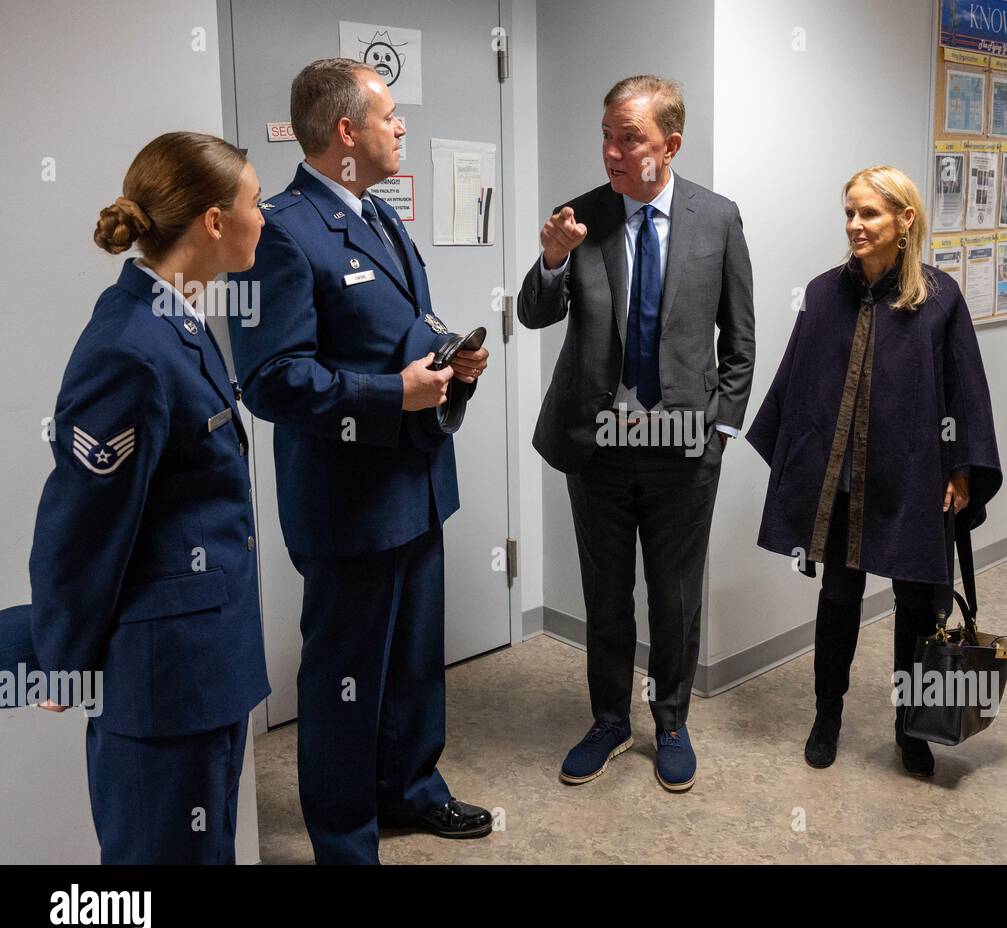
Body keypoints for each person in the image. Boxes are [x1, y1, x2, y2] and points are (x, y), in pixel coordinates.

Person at [228, 58, 491, 864]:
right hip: (349, 504)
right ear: (346, 133)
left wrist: (447, 366)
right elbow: (270, 381)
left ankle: (412, 791)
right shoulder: (281, 230)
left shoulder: (378, 215)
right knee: (344, 680)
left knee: (415, 662)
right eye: (391, 115)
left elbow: (395, 327)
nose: (402, 126)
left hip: (415, 487)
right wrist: (391, 395)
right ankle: (345, 839)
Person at [28, 132, 270, 863]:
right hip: (164, 682)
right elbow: (82, 523)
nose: (266, 218)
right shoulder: (129, 345)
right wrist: (62, 657)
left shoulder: (179, 317)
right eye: (255, 202)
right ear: (214, 222)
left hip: (207, 665)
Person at [518, 75, 755, 793]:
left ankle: (672, 719)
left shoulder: (716, 218)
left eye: (630, 139)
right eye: (607, 137)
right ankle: (609, 720)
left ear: (669, 145)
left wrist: (718, 428)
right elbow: (534, 313)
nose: (612, 152)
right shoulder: (580, 216)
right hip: (598, 446)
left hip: (685, 447)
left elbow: (740, 340)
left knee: (675, 595)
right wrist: (552, 258)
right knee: (607, 592)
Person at [747, 166, 1001, 777]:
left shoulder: (940, 297)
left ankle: (910, 727)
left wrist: (962, 467)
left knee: (918, 605)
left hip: (915, 475)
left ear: (904, 220)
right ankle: (826, 713)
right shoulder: (822, 292)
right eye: (851, 213)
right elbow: (796, 381)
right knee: (838, 599)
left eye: (870, 214)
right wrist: (793, 460)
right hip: (842, 479)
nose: (856, 226)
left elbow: (965, 388)